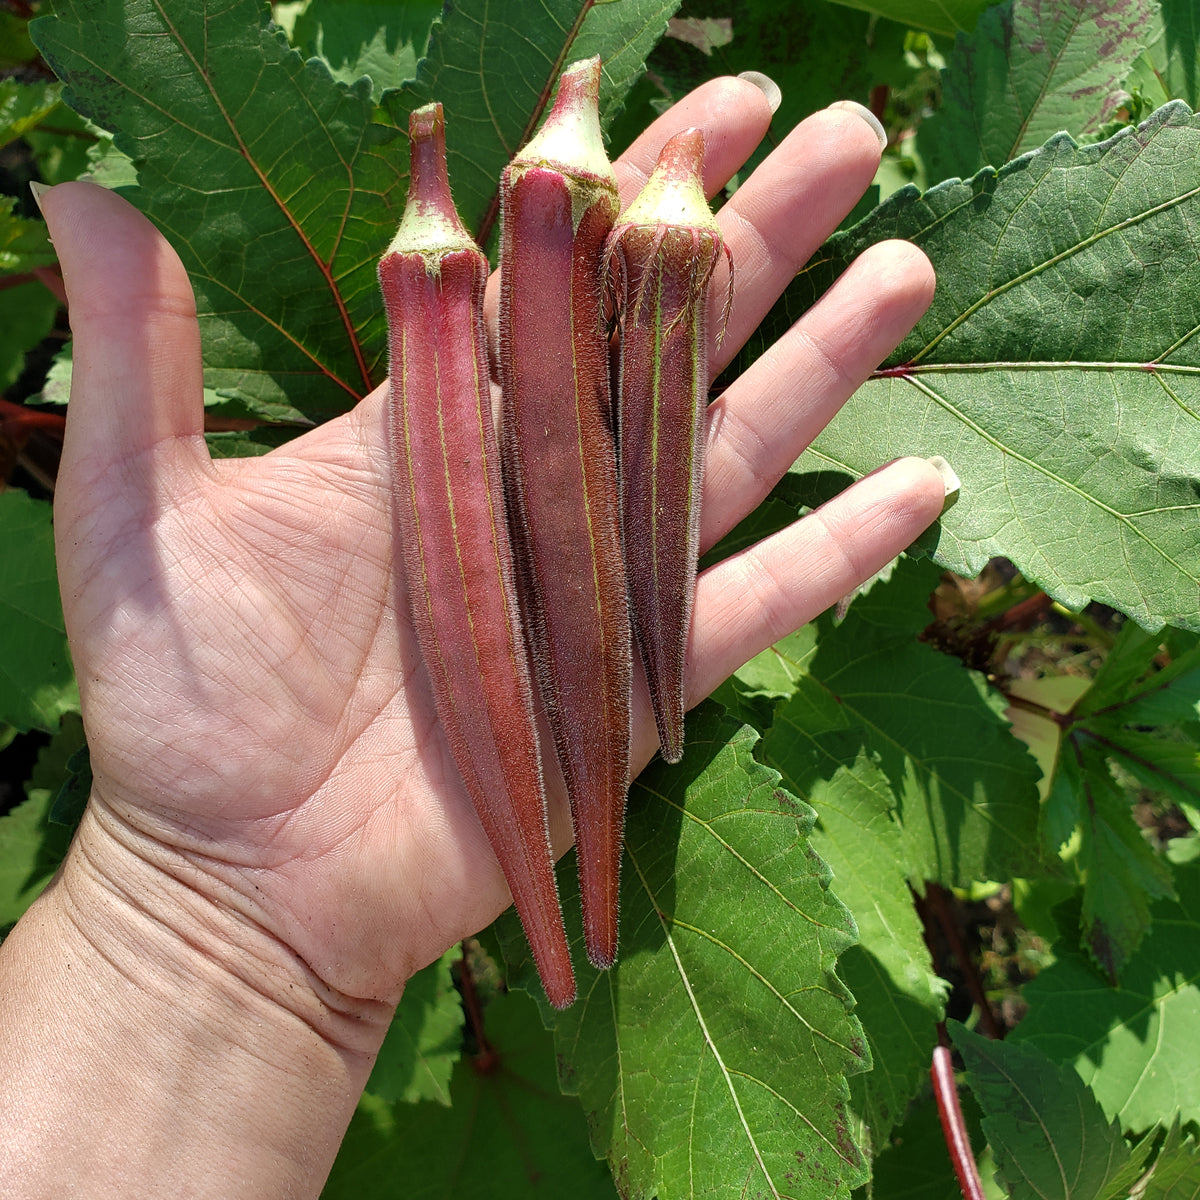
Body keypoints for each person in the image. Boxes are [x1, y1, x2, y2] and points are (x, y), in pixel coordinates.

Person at [0, 75, 954, 1196]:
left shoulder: (506, 275)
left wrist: (205, 922)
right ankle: (565, 927)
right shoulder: (442, 285)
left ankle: (566, 925)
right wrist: (205, 904)